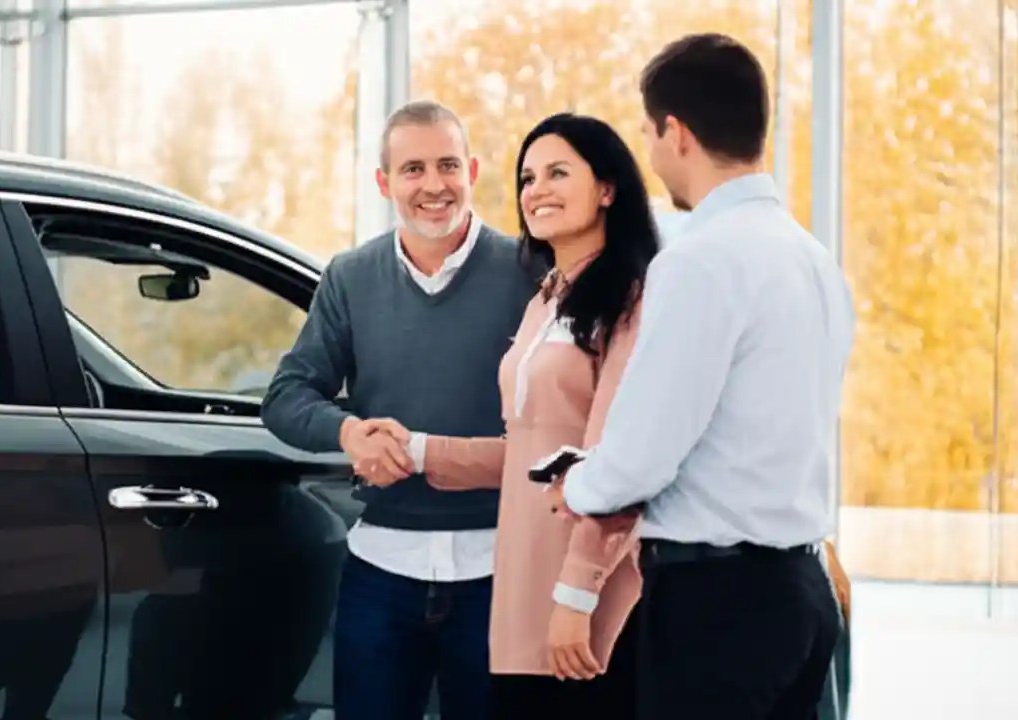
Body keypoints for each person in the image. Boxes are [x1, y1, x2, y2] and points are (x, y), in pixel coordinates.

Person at [550, 33, 856, 720]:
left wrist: (581, 483)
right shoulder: (813, 261)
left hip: (720, 609)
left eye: (650, 136)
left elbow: (645, 453)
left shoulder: (699, 263)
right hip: (803, 594)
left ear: (677, 132)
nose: (652, 157)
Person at [368, 112, 659, 717]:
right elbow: (529, 452)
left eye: (558, 173)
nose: (537, 190)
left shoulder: (630, 299)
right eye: (527, 178)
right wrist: (418, 450)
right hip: (519, 595)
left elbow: (620, 461)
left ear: (607, 189)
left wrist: (577, 592)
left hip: (583, 595)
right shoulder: (547, 300)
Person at [260, 99, 537, 720]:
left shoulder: (532, 271)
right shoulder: (350, 277)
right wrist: (349, 431)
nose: (433, 185)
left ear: (472, 170)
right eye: (412, 169)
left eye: (447, 165)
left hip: (501, 571)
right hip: (381, 573)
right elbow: (286, 396)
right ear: (385, 183)